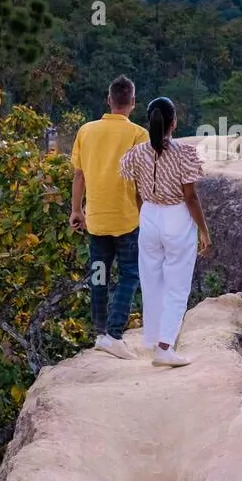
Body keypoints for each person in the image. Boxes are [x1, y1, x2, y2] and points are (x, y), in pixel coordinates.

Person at [119, 96, 211, 368]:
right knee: (177, 284)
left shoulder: (136, 153)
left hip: (148, 215)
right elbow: (191, 198)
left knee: (152, 282)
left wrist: (145, 210)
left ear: (149, 122)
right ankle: (165, 347)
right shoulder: (185, 153)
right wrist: (204, 231)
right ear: (174, 123)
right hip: (176, 217)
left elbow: (134, 188)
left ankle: (154, 339)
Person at [69, 75, 149, 359]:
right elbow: (142, 180)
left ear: (109, 100)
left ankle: (100, 333)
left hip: (97, 218)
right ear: (133, 103)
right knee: (129, 274)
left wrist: (76, 210)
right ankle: (114, 335)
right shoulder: (138, 134)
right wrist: (145, 212)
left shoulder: (86, 131)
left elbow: (79, 174)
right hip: (127, 218)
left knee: (99, 275)